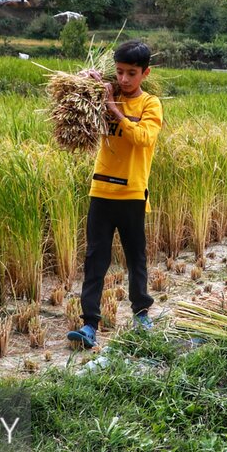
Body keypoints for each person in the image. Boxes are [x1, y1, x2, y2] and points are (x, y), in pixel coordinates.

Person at [66, 40, 163, 350]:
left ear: (145, 73)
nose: (123, 80)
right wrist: (87, 80)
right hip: (101, 191)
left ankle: (141, 314)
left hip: (133, 193)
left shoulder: (150, 105)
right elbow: (75, 98)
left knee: (136, 258)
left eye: (131, 74)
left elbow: (143, 137)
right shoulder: (106, 93)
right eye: (119, 72)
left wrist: (114, 109)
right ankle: (89, 324)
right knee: (96, 259)